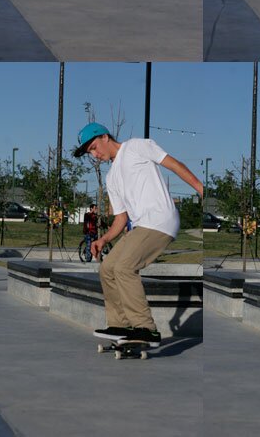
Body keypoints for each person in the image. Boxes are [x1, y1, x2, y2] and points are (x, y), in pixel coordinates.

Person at [74, 123, 204, 344]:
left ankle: (146, 328)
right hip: (141, 225)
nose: (96, 155)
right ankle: (119, 325)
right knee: (107, 268)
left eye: (95, 148)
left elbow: (174, 165)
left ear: (105, 137)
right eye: (91, 153)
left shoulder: (136, 147)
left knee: (124, 267)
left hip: (161, 219)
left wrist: (201, 189)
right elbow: (121, 218)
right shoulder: (111, 178)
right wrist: (103, 239)